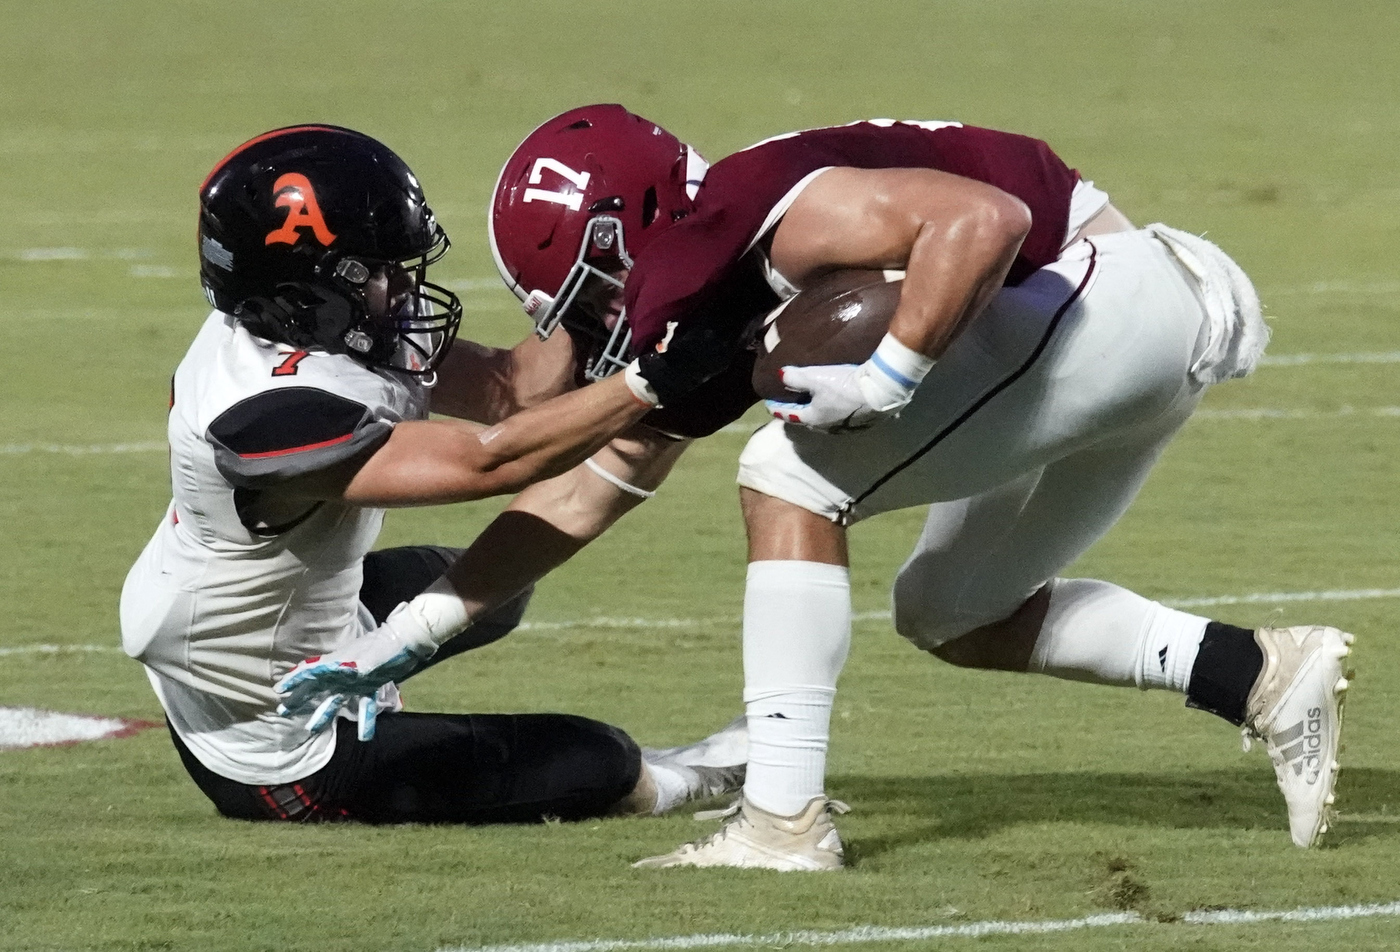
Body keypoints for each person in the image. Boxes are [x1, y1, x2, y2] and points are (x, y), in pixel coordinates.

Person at [281, 107, 1353, 860]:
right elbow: (583, 493)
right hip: (1113, 333)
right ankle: (1253, 672)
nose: (596, 321)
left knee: (783, 475)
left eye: (592, 287)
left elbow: (983, 222)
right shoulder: (712, 286)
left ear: (626, 224)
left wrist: (893, 371)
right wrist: (400, 640)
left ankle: (781, 822)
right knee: (949, 609)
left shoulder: (759, 209)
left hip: (1111, 299)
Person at [119, 124, 746, 825]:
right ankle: (690, 780)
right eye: (374, 270)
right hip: (271, 731)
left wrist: (596, 294)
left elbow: (513, 389)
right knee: (600, 758)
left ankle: (362, 666)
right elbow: (493, 458)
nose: (402, 286)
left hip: (264, 609)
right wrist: (651, 382)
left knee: (497, 588)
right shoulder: (265, 416)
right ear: (301, 288)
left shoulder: (314, 321)